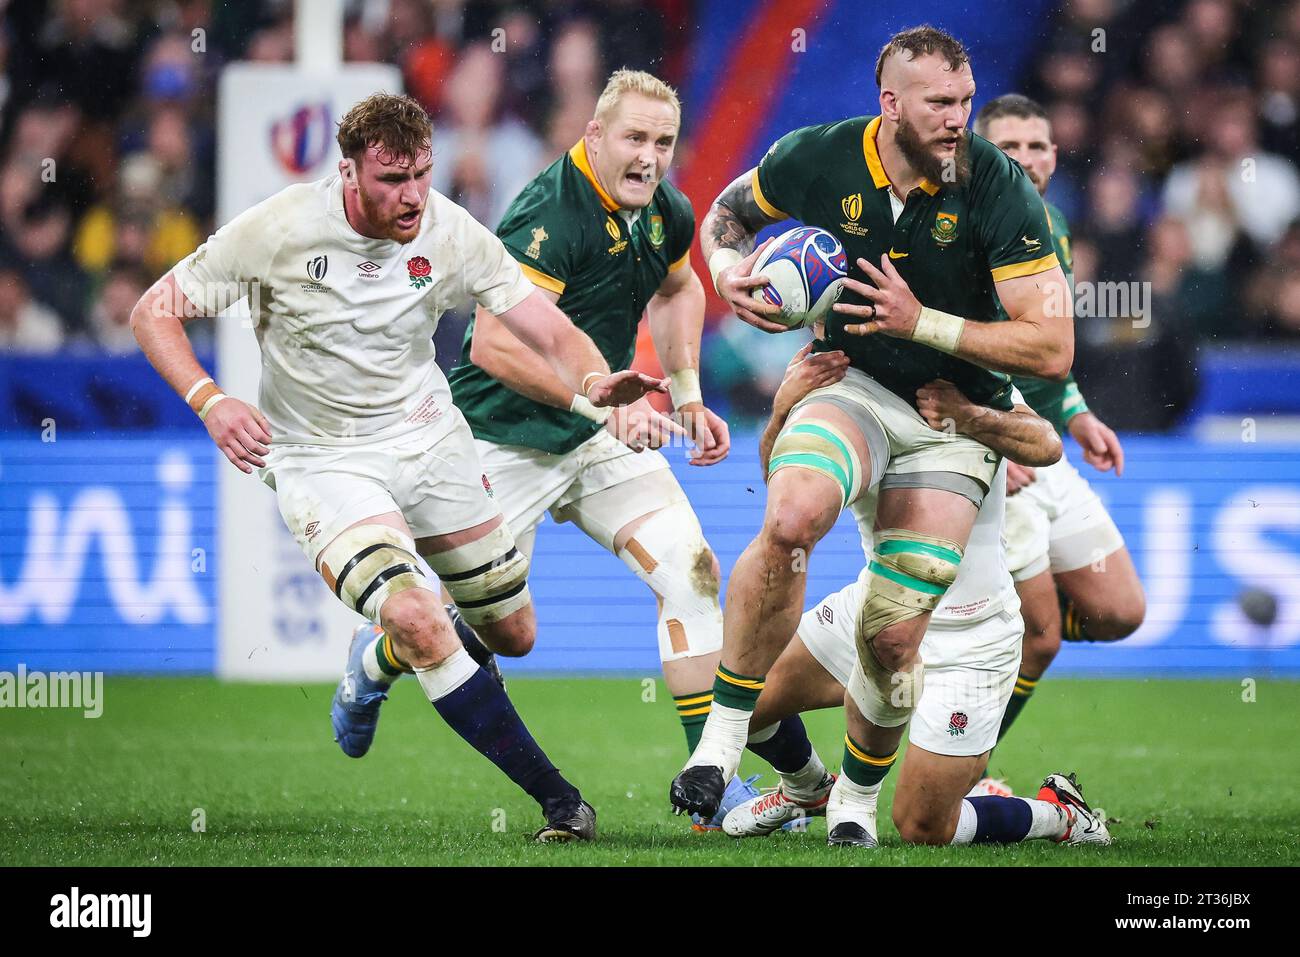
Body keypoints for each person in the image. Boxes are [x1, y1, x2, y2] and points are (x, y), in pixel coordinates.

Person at [129, 92, 664, 843]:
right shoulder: (281, 228)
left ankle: (374, 660)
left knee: (513, 632)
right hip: (323, 459)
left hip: (429, 440)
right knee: (417, 612)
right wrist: (210, 400)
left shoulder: (447, 229)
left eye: (420, 173)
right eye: (390, 179)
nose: (411, 194)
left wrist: (593, 380)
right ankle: (560, 801)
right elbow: (154, 310)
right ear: (347, 173)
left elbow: (538, 316)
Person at [671, 25, 1075, 843]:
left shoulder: (996, 188)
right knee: (789, 518)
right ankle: (722, 746)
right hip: (850, 381)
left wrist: (922, 321)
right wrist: (728, 274)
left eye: (965, 102)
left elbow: (1053, 345)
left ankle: (857, 801)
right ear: (889, 104)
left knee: (893, 642)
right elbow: (725, 214)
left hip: (950, 413)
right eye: (940, 104)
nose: (959, 119)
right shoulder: (816, 157)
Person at [443, 68, 751, 828]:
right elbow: (489, 347)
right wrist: (599, 407)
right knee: (493, 633)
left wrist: (685, 393)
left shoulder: (664, 209)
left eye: (664, 142)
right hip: (502, 439)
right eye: (634, 138)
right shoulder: (549, 216)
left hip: (598, 430)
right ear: (594, 136)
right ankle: (376, 659)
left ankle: (711, 787)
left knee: (694, 572)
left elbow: (681, 289)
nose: (649, 157)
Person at [718, 344, 1110, 847]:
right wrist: (779, 411)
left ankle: (1061, 816)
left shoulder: (964, 382)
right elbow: (787, 490)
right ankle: (809, 787)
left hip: (968, 638)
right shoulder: (841, 386)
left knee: (923, 827)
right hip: (874, 610)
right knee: (737, 703)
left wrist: (974, 419)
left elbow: (1044, 442)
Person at [970, 94, 1145, 783]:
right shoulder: (965, 231)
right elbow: (959, 348)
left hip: (1047, 450)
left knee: (1119, 610)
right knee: (1038, 637)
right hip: (994, 450)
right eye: (1007, 147)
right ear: (978, 155)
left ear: (1054, 154)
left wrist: (1075, 411)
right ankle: (967, 766)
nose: (1025, 159)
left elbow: (1049, 347)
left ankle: (954, 645)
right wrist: (1002, 434)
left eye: (1036, 146)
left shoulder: (1054, 227)